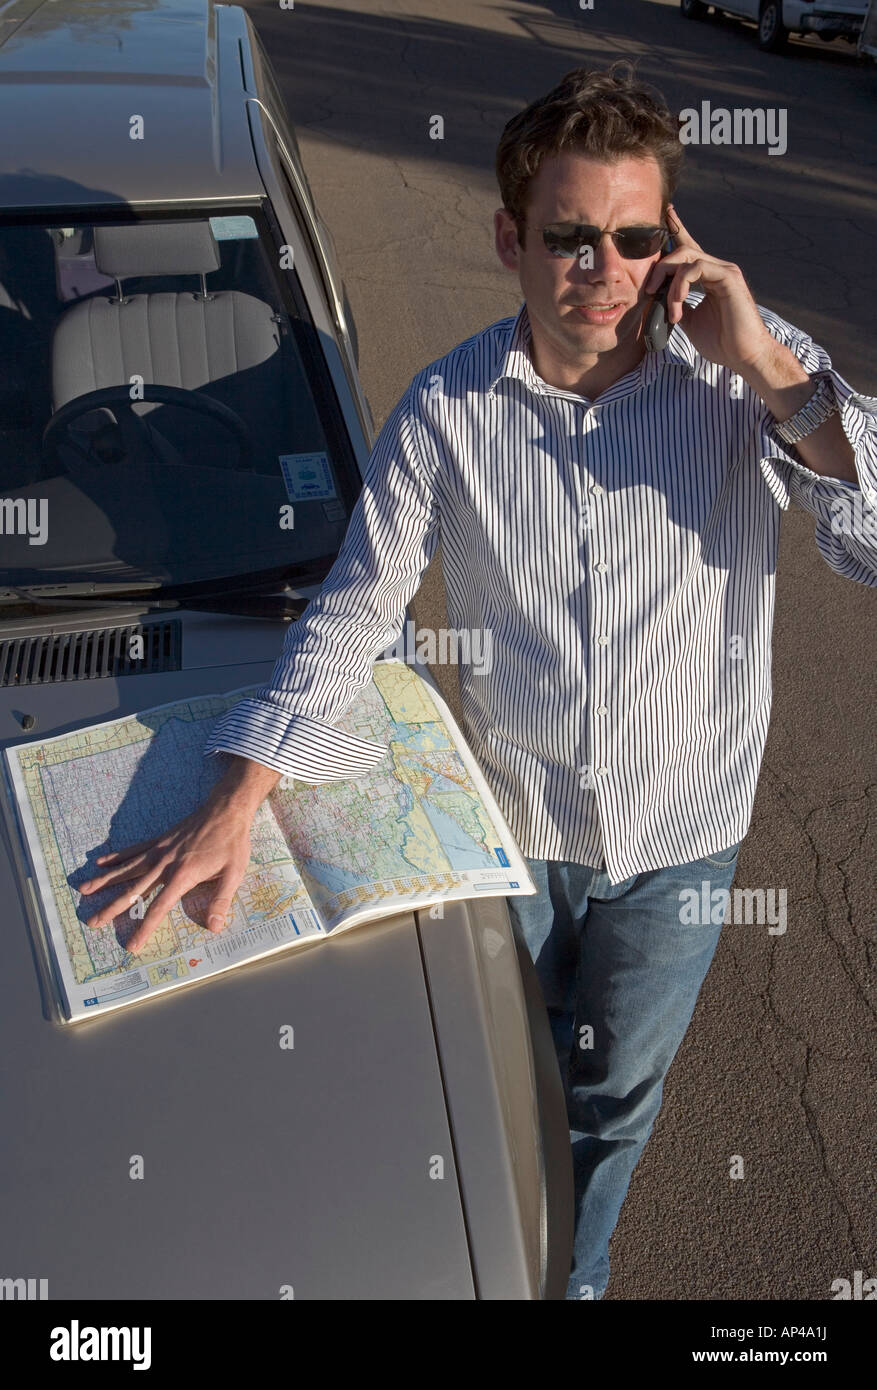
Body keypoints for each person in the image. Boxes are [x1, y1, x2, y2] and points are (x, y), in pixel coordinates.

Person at [79, 62, 877, 1300]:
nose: (601, 271)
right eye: (567, 238)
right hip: (509, 830)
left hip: (682, 841)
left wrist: (768, 363)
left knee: (614, 1100)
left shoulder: (748, 374)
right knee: (497, 1087)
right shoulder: (447, 405)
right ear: (511, 237)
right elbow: (355, 609)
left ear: (671, 245)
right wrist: (238, 794)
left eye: (632, 238)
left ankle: (576, 1281)